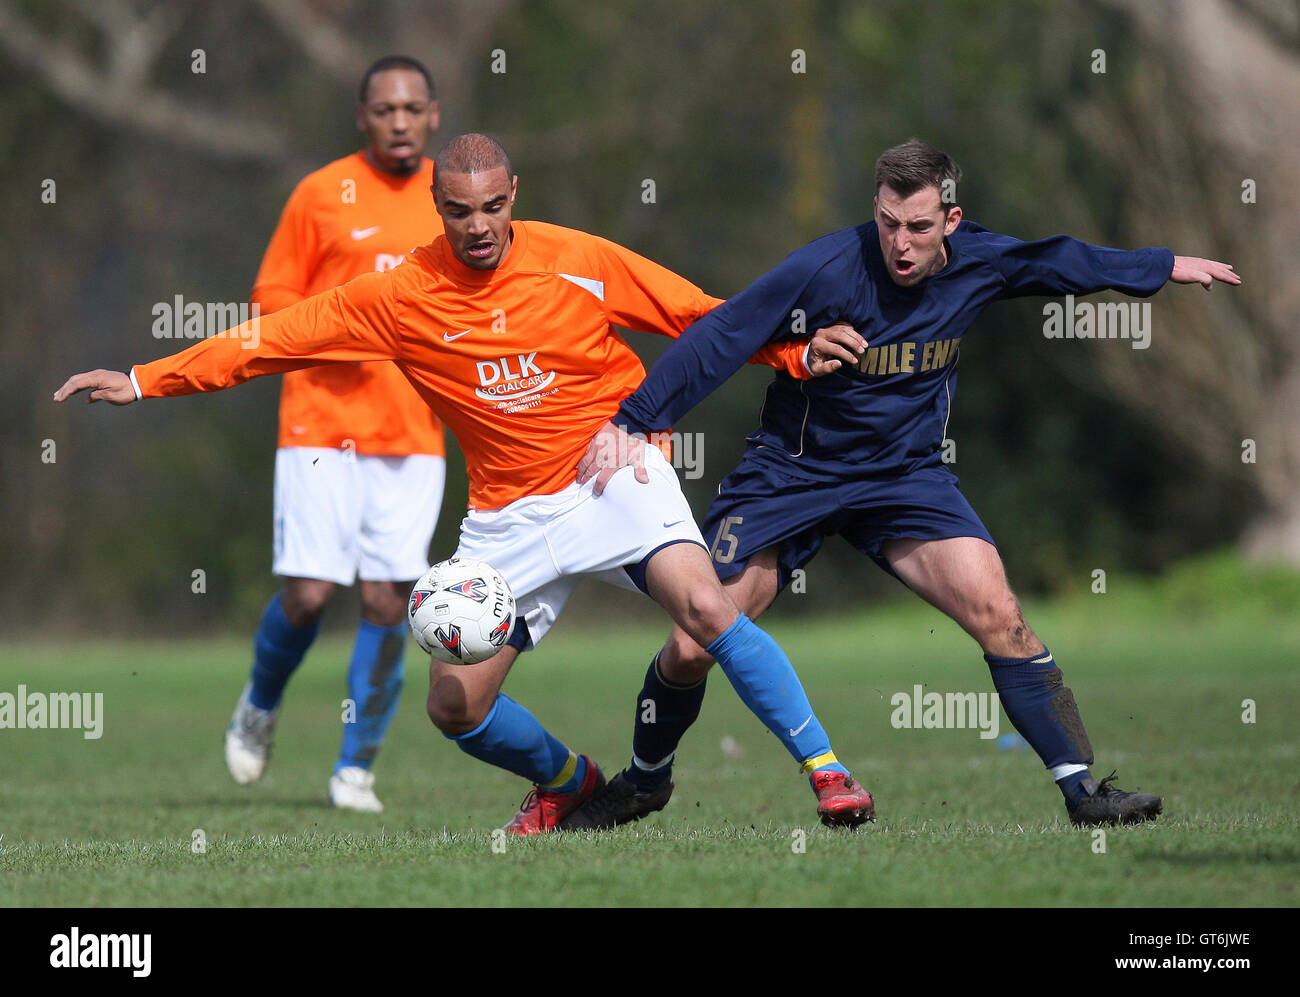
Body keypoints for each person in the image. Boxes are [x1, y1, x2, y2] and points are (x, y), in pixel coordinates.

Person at [54, 133, 875, 834]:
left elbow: (701, 316)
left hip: (610, 471)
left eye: (491, 206)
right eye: (458, 211)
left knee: (704, 607)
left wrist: (794, 354)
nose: (478, 226)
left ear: (512, 193)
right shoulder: (400, 297)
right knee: (454, 706)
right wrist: (143, 377)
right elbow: (273, 339)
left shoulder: (579, 260)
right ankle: (571, 784)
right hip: (506, 516)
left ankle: (827, 769)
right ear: (437, 209)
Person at [568, 138, 1241, 831]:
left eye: (918, 226)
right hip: (790, 474)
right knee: (691, 643)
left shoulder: (979, 260)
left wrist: (1159, 267)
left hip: (904, 476)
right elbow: (725, 333)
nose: (900, 242)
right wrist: (633, 420)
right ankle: (644, 782)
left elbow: (1056, 260)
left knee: (999, 612)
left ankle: (1084, 793)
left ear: (952, 221)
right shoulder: (828, 267)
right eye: (889, 222)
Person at [221, 56, 449, 814]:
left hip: (414, 430)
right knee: (311, 594)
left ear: (434, 115)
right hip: (320, 420)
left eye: (412, 108)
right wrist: (336, 334)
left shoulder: (453, 200)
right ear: (363, 116)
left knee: (389, 601)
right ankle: (259, 703)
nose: (399, 120)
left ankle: (356, 767)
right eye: (384, 108)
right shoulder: (321, 194)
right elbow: (271, 299)